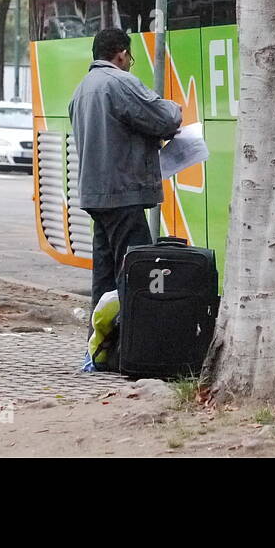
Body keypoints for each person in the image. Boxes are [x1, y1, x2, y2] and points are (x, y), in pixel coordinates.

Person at [68, 27, 181, 352]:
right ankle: (135, 349)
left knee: (104, 279)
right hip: (123, 193)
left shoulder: (82, 89)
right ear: (120, 53)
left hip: (96, 195)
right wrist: (177, 112)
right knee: (136, 273)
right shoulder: (119, 83)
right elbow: (164, 118)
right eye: (129, 56)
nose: (130, 62)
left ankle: (102, 349)